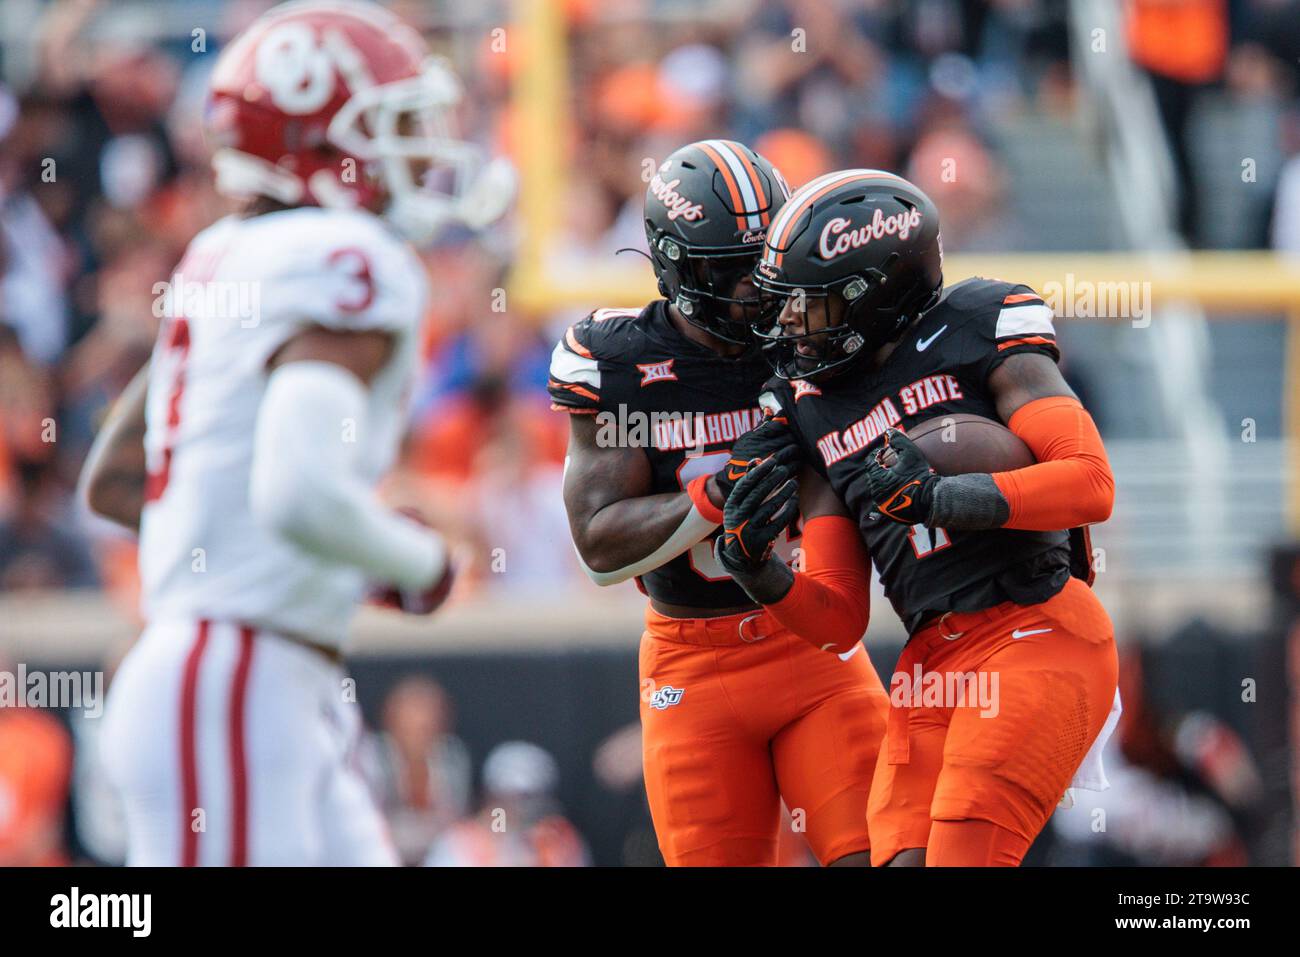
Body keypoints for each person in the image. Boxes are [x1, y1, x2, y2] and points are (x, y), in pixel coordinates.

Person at [79, 0, 508, 866]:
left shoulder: (227, 256)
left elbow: (118, 479)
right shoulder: (340, 258)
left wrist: (326, 555)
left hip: (267, 679)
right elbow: (297, 490)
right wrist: (418, 561)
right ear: (318, 144)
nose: (419, 151)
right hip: (236, 674)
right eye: (391, 125)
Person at [723, 169, 1120, 866]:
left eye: (808, 305)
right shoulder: (812, 405)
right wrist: (757, 570)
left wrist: (947, 499)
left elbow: (1090, 483)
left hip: (1034, 627)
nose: (787, 323)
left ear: (869, 295)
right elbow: (839, 616)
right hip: (930, 661)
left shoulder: (977, 326)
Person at [551, 140, 888, 866]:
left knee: (883, 854)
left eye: (764, 263)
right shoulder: (619, 362)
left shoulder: (808, 332)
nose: (755, 291)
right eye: (733, 272)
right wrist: (715, 494)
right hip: (692, 667)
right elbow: (600, 546)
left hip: (811, 643)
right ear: (676, 264)